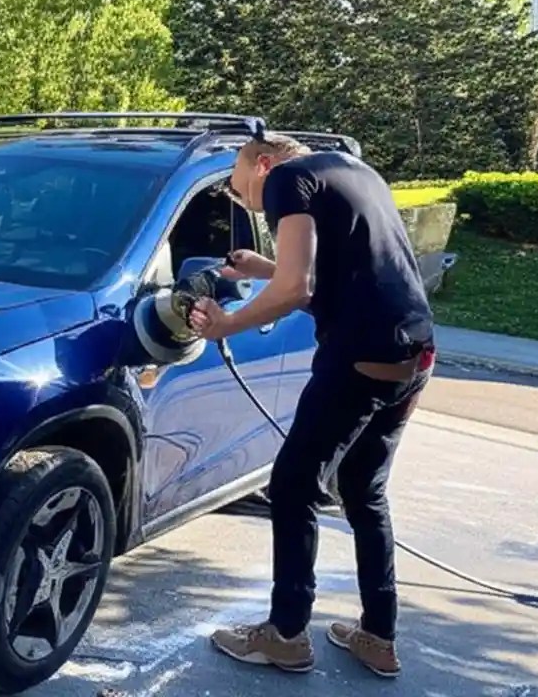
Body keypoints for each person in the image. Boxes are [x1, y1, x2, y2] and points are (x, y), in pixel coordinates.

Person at [189, 133, 436, 679]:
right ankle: (378, 636)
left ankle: (285, 634)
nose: (239, 195)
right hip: (415, 351)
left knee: (294, 485)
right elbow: (347, 273)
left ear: (264, 161)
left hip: (360, 355)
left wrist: (227, 322)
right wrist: (261, 270)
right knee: (363, 491)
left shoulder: (283, 180)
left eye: (236, 181)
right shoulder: (353, 170)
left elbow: (296, 289)